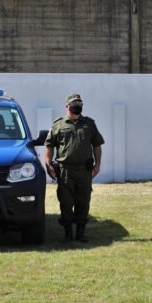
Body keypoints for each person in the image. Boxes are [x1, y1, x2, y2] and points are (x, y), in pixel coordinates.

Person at [44, 93, 105, 242]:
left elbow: (97, 145)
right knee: (65, 202)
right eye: (74, 103)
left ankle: (80, 233)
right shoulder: (58, 124)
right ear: (67, 106)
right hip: (65, 171)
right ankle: (67, 234)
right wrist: (48, 163)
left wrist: (98, 164)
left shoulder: (89, 124)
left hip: (84, 170)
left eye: (79, 103)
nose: (77, 106)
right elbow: (49, 146)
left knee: (83, 202)